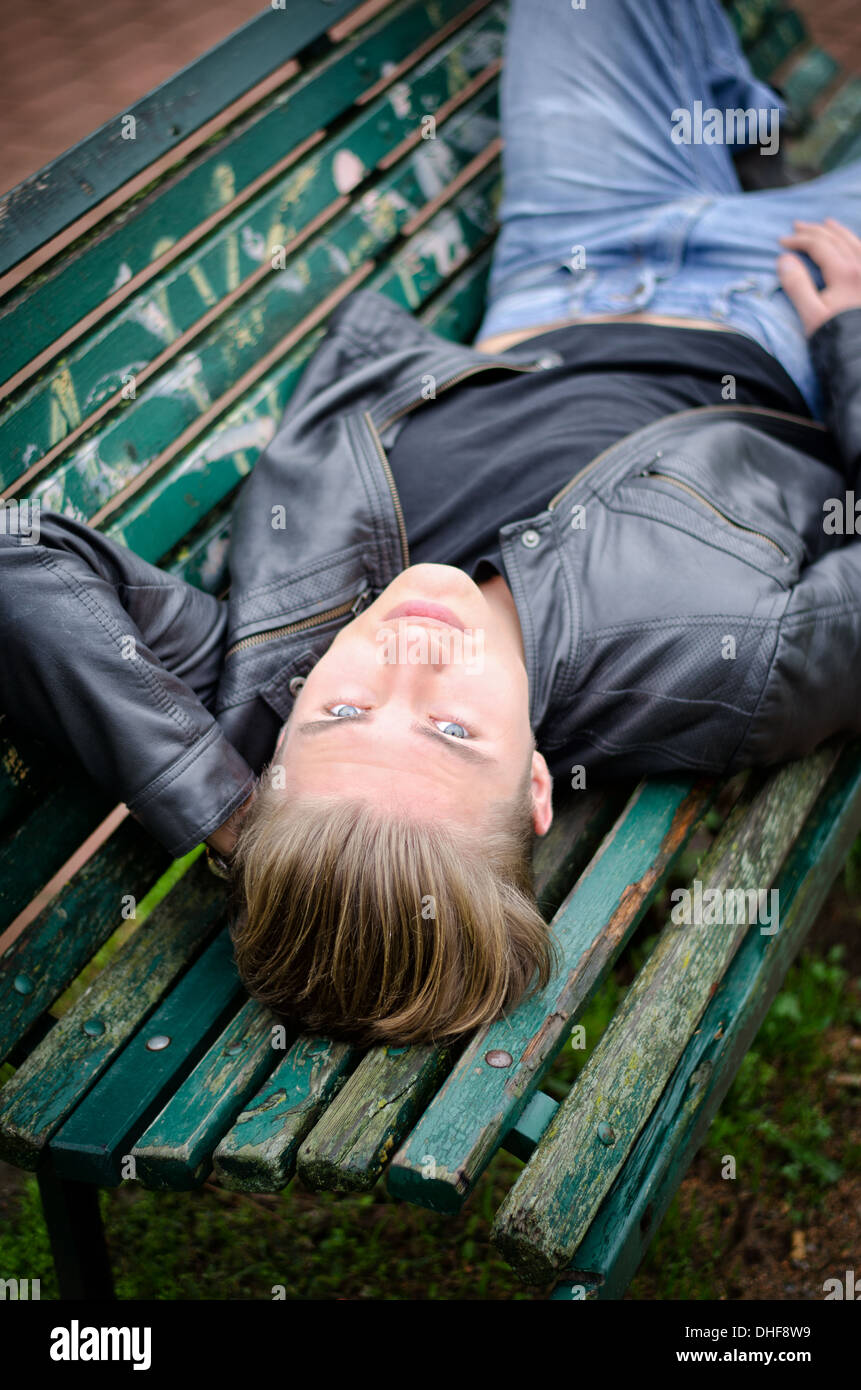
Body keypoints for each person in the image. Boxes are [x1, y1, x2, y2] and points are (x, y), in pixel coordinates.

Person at [2, 0, 860, 1047]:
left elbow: (17, 568)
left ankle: (741, 134)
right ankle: (745, 145)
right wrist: (850, 342)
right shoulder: (739, 673)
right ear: (537, 786)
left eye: (343, 716)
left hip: (571, 258)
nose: (405, 663)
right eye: (454, 733)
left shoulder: (262, 666)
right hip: (792, 324)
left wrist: (226, 818)